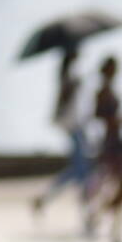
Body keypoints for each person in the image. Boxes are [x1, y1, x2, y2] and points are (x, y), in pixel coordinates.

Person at [82, 55, 122, 242]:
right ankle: (105, 225)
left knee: (119, 189)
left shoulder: (106, 91)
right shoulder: (104, 92)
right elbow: (102, 117)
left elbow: (100, 117)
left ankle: (103, 222)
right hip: (113, 144)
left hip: (113, 143)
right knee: (121, 189)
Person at [31, 49, 91, 220]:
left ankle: (46, 198)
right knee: (80, 169)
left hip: (75, 124)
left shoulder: (69, 75)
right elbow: (64, 101)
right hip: (73, 125)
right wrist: (75, 86)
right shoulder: (68, 77)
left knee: (79, 168)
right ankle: (83, 204)